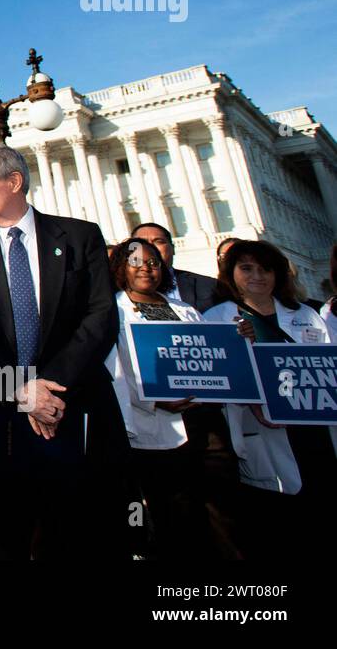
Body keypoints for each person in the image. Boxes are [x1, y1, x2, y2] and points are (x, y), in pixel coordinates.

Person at [0, 144, 126, 559]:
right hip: (0, 418)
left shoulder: (80, 236)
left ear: (14, 181)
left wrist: (47, 387)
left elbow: (100, 318)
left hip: (72, 408)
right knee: (3, 536)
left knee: (77, 535)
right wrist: (21, 390)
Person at [203, 239, 336, 558]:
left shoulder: (305, 313)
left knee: (325, 505)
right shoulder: (217, 317)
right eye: (246, 268)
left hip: (314, 428)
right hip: (263, 428)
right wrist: (254, 403)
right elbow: (219, 376)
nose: (257, 276)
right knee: (280, 519)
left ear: (278, 274)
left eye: (265, 269)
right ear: (230, 274)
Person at [109, 237, 215, 559]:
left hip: (197, 425)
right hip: (148, 428)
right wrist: (154, 401)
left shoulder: (186, 311)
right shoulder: (113, 311)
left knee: (202, 512)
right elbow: (115, 370)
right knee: (162, 512)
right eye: (136, 261)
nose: (147, 269)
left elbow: (211, 357)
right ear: (121, 268)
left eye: (154, 262)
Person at [130, 222, 218, 312]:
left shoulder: (210, 286)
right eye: (142, 243)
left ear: (173, 249)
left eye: (158, 241)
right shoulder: (118, 292)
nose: (150, 247)